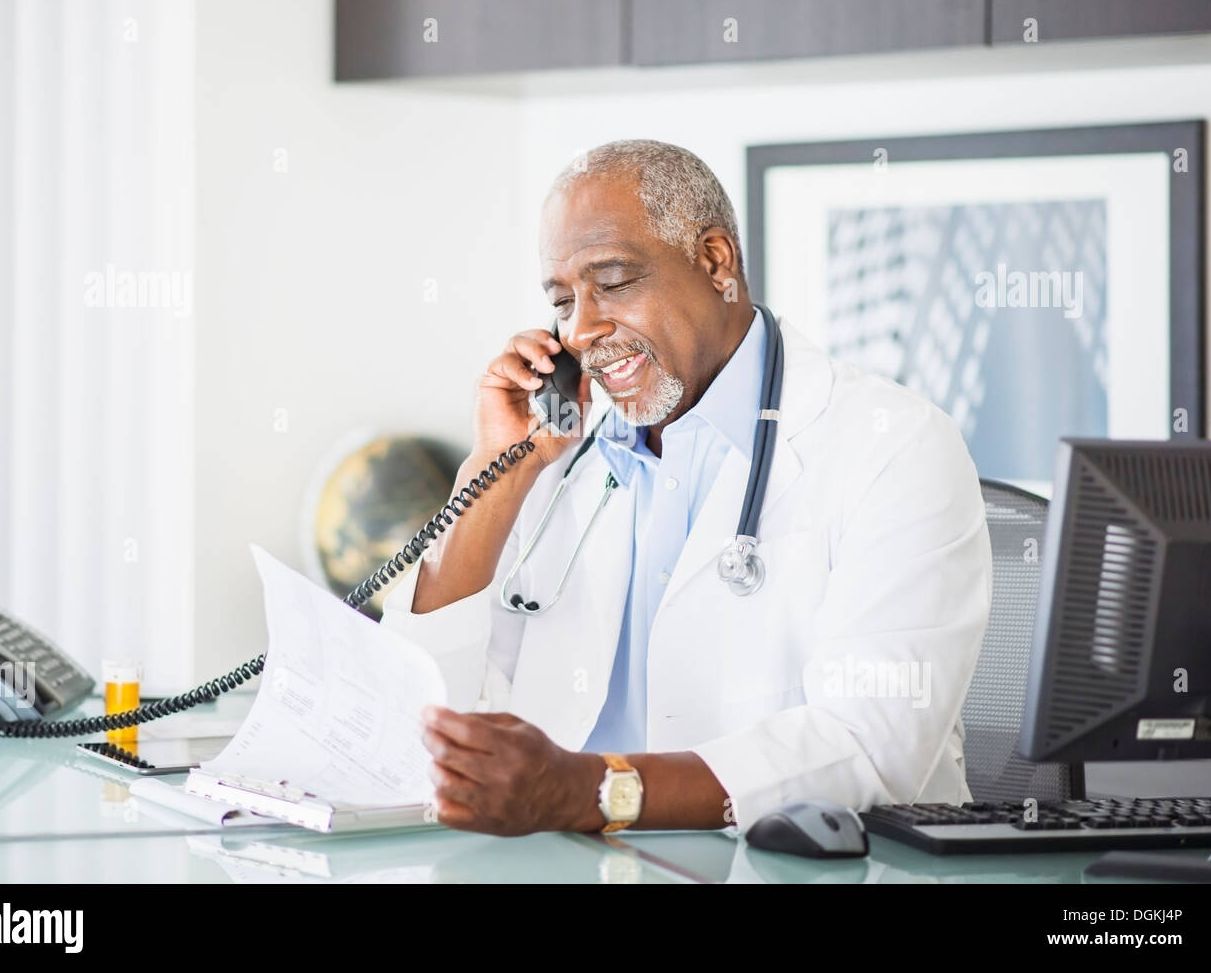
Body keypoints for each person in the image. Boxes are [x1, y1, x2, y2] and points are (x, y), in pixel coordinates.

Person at [380, 139, 992, 836]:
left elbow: (870, 745)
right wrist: (497, 471)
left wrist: (592, 792)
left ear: (715, 261)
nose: (580, 329)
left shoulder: (894, 444)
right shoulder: (555, 460)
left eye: (611, 283)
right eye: (562, 300)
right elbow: (418, 719)